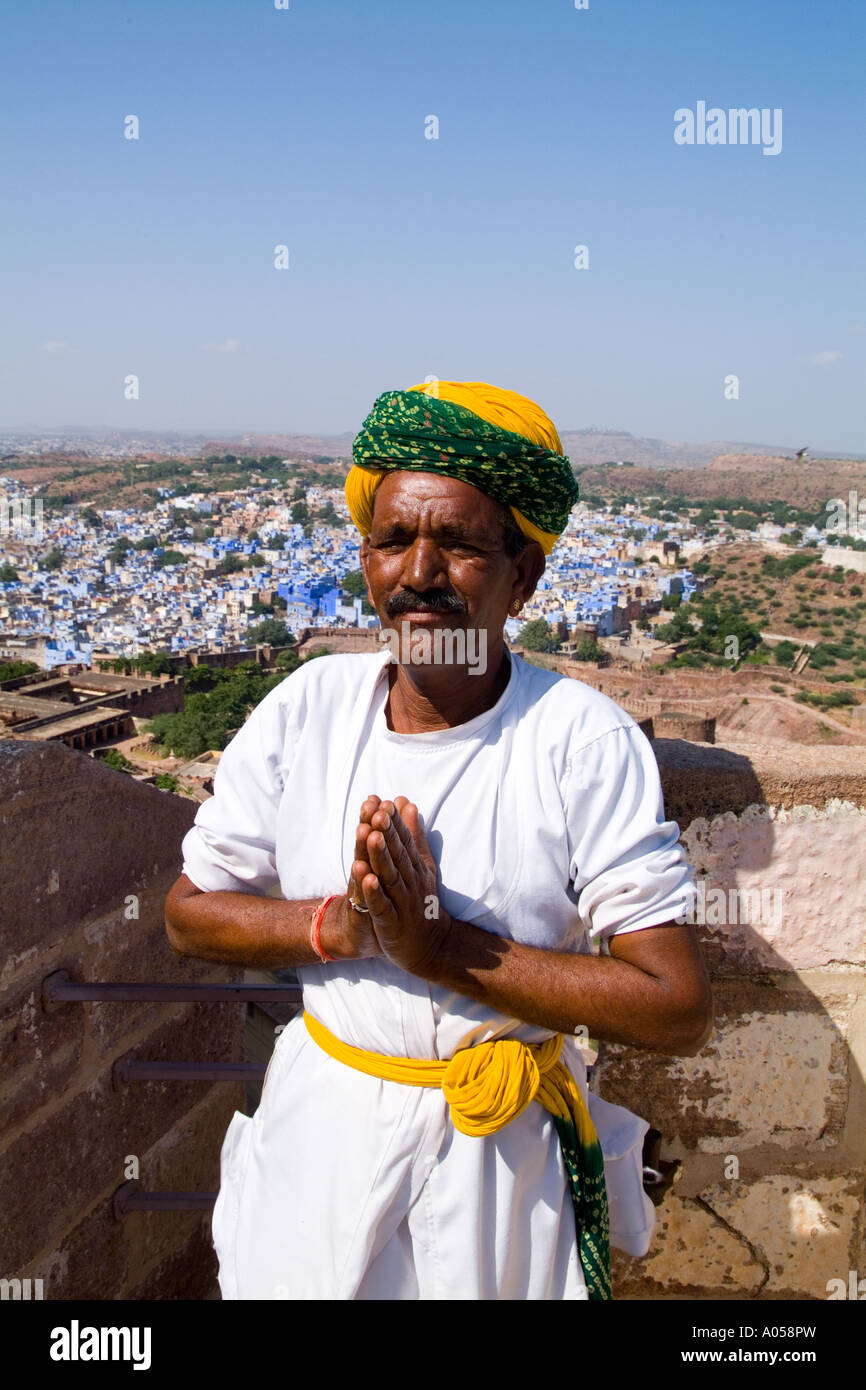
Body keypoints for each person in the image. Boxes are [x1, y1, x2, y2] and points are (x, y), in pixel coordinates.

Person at [164, 379, 712, 1301]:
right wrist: (339, 927)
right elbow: (189, 916)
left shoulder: (580, 738)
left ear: (523, 576)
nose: (417, 572)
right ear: (367, 561)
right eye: (392, 541)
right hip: (321, 1138)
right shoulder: (309, 710)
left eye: (456, 544)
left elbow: (674, 1005)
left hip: (496, 1165)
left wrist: (444, 948)